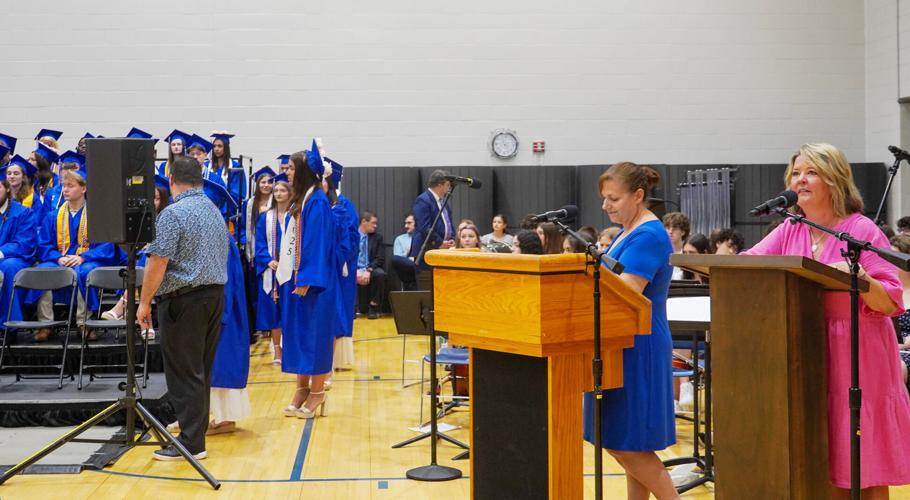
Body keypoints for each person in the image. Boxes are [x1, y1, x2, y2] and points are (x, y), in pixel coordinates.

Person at [741, 143, 910, 496]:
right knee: (827, 459)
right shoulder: (791, 227)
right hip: (809, 350)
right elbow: (749, 262)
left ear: (834, 181)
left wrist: (859, 279)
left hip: (859, 353)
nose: (800, 180)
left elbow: (892, 299)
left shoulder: (860, 230)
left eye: (811, 172)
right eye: (796, 173)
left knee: (866, 464)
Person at [583, 161, 679, 500]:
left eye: (614, 198)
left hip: (639, 346)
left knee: (627, 445)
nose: (606, 206)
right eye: (604, 199)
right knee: (628, 442)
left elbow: (624, 294)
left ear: (638, 195)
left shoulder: (649, 235)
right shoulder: (630, 229)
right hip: (621, 343)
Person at [137, 156, 229, 461]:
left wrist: (144, 301)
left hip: (184, 300)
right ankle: (195, 437)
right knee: (200, 370)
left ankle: (191, 442)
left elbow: (158, 262)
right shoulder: (214, 210)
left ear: (171, 179)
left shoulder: (174, 213)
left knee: (184, 373)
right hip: (214, 297)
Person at [33, 166, 122, 342]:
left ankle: (84, 323)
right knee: (43, 271)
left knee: (86, 271)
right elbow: (43, 245)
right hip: (60, 259)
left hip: (88, 260)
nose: (65, 189)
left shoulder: (98, 216)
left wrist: (83, 257)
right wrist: (58, 257)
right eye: (63, 185)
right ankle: (45, 323)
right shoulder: (53, 216)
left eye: (70, 185)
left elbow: (107, 246)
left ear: (84, 188)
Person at [278, 147, 335, 420]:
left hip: (314, 283)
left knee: (315, 337)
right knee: (299, 336)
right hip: (297, 278)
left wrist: (307, 278)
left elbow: (318, 243)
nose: (285, 173)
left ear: (301, 171)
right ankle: (301, 389)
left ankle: (317, 392)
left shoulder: (319, 202)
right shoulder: (302, 199)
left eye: (290, 168)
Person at [326, 159, 359, 372]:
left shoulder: (343, 204)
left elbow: (352, 236)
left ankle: (337, 359)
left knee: (339, 309)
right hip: (323, 265)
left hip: (339, 264)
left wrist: (339, 258)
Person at [255, 178, 291, 364]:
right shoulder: (265, 218)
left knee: (290, 310)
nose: (278, 193)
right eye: (275, 190)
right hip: (271, 271)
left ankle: (291, 350)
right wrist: (268, 261)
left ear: (289, 193)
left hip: (291, 272)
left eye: (282, 190)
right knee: (273, 311)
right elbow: (259, 242)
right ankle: (277, 351)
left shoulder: (295, 216)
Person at [0, 165, 37, 323]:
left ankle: (9, 324)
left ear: (7, 189)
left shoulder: (23, 213)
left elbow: (24, 243)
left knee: (10, 266)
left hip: (16, 257)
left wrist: (1, 252)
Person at [409, 170, 455, 268]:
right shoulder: (423, 200)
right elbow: (424, 227)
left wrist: (452, 239)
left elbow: (449, 223)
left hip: (443, 250)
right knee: (427, 282)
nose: (449, 189)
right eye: (447, 185)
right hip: (427, 251)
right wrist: (439, 242)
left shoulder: (444, 201)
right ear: (439, 185)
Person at [356, 210, 386, 319]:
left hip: (369, 268)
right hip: (353, 269)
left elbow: (380, 258)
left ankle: (373, 307)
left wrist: (368, 270)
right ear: (364, 221)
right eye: (373, 223)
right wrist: (356, 271)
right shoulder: (352, 235)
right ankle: (351, 309)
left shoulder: (377, 238)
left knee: (380, 274)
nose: (375, 226)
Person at [890, 234, 910, 392]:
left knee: (898, 366)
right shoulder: (886, 289)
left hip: (906, 350)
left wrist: (902, 345)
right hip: (890, 347)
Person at [207, 132, 247, 208]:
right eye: (214, 146)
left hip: (227, 209)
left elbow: (237, 193)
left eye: (219, 146)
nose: (216, 149)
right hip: (209, 206)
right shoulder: (207, 165)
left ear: (226, 148)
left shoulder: (235, 167)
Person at [662, 212, 690, 280]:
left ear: (683, 232)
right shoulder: (660, 253)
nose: (670, 231)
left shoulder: (688, 253)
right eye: (668, 228)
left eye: (675, 228)